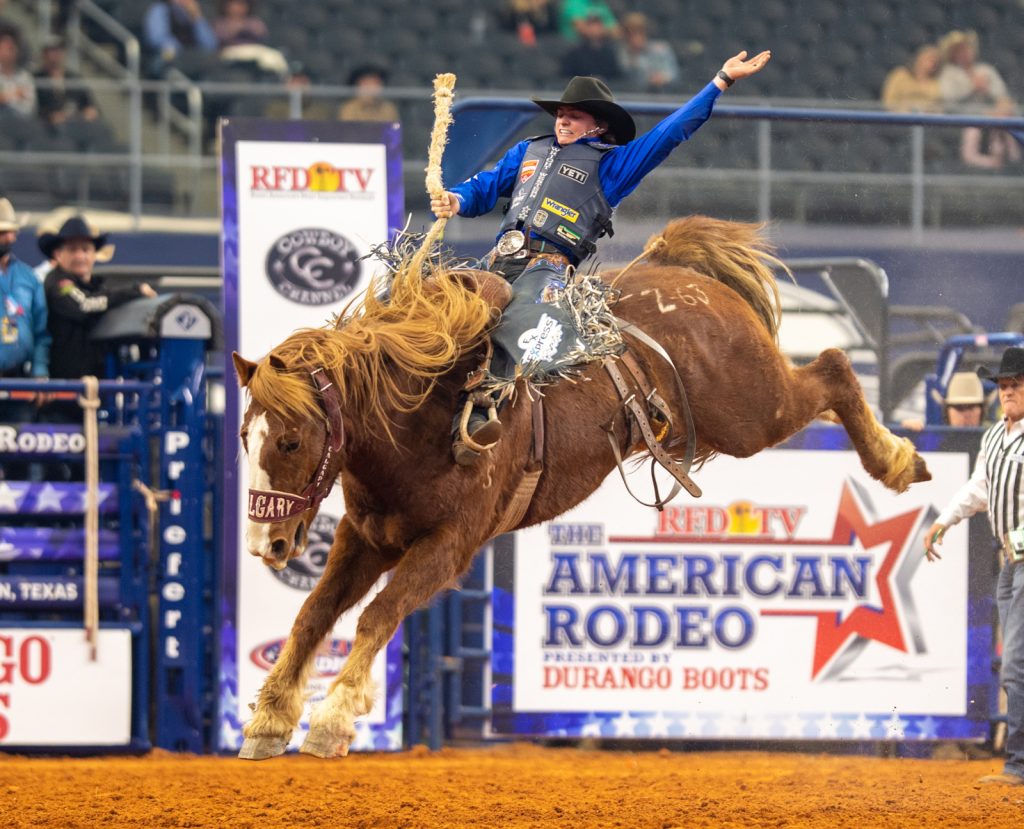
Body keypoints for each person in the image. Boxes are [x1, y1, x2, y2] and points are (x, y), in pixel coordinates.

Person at [430, 51, 771, 463]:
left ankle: (483, 412)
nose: (563, 120)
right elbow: (484, 187)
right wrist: (455, 199)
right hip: (500, 259)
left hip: (548, 268)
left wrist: (719, 81)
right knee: (432, 301)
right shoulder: (528, 151)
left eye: (574, 115)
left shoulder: (613, 165)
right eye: (561, 113)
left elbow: (669, 133)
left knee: (521, 326)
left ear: (599, 125)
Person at [925, 346, 1024, 786]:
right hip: (1010, 561)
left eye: (1016, 385)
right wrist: (944, 519)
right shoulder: (995, 437)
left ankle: (1019, 764)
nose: (1008, 392)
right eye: (1004, 386)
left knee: (1017, 663)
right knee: (1016, 663)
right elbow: (979, 487)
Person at [41, 216, 156, 381]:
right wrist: (134, 291)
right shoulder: (57, 282)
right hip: (63, 388)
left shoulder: (98, 287)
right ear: (58, 255)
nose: (80, 256)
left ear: (95, 254)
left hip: (99, 386)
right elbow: (85, 306)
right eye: (73, 249)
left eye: (86, 249)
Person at [0, 197, 49, 389]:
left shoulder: (28, 277)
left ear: (14, 234)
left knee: (20, 420)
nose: (2, 237)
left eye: (5, 232)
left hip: (19, 378)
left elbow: (41, 331)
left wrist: (40, 371)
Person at [143, 0, 219, 78]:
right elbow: (157, 39)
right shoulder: (160, 10)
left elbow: (210, 45)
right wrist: (183, 52)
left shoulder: (193, 15)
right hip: (166, 59)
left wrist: (196, 19)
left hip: (193, 60)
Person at [617, 12, 679, 94]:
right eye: (632, 33)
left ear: (646, 31)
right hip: (635, 97)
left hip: (666, 95)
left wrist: (663, 78)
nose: (637, 36)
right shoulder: (622, 53)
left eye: (640, 31)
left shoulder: (662, 48)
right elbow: (630, 79)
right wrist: (634, 53)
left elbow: (674, 74)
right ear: (626, 35)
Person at [560, 11, 623, 82]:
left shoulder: (609, 53)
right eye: (591, 25)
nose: (594, 29)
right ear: (585, 28)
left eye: (597, 25)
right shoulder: (575, 53)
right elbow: (566, 76)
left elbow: (617, 77)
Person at [881, 44, 942, 113]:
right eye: (929, 59)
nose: (932, 64)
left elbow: (937, 106)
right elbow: (888, 101)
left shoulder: (935, 82)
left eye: (935, 61)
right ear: (919, 58)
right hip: (900, 118)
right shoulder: (899, 75)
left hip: (926, 121)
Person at [0, 23, 35, 120]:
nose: (9, 51)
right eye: (5, 47)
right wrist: (14, 94)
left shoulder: (24, 77)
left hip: (17, 125)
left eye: (11, 47)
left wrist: (4, 97)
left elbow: (28, 107)